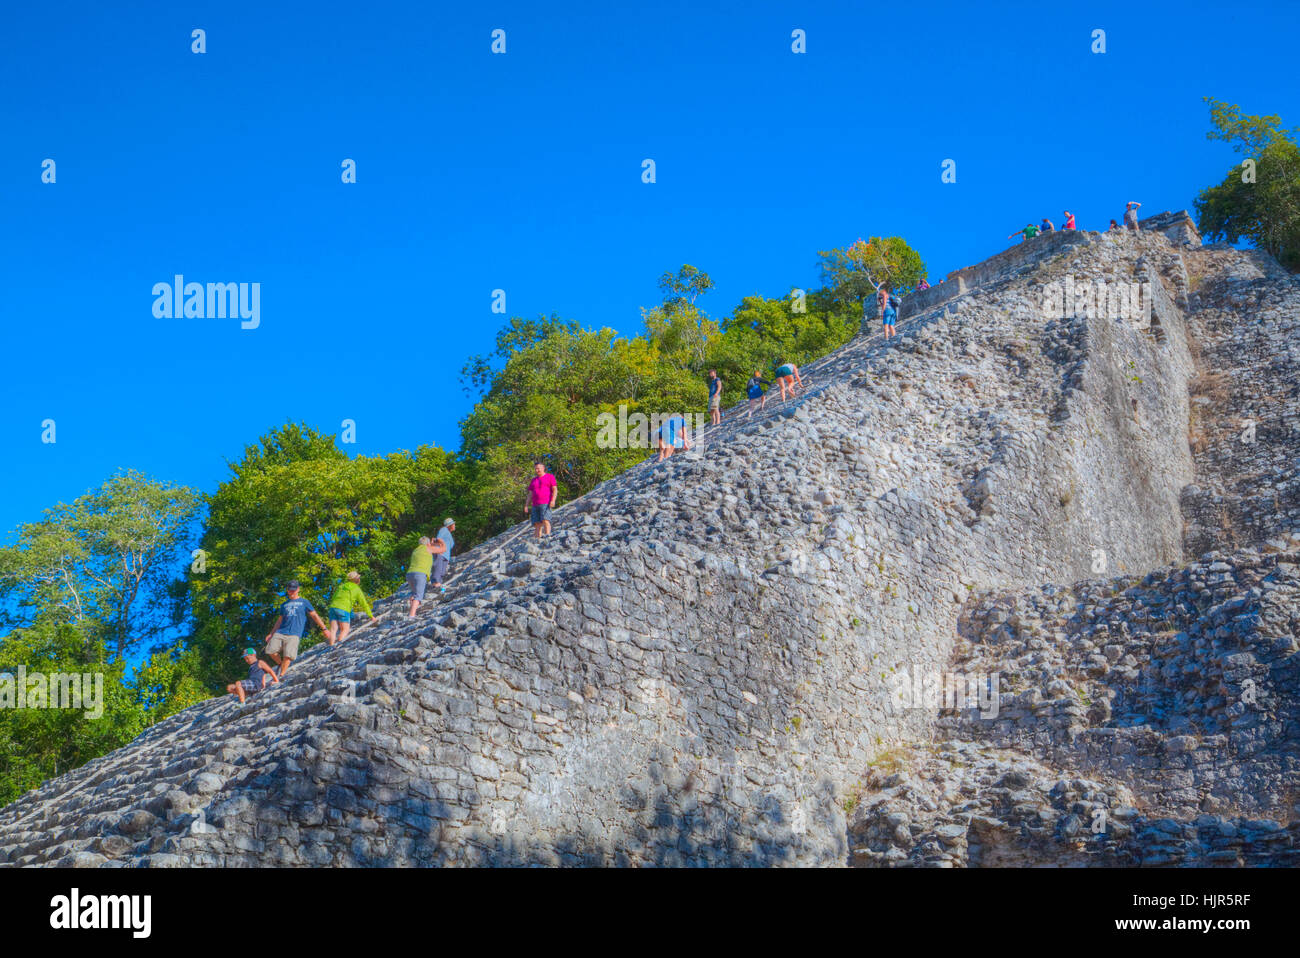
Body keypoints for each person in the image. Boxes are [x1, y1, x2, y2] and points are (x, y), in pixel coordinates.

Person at [264, 580, 328, 678]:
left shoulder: (304, 602)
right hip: (281, 631)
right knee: (270, 650)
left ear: (298, 589)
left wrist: (324, 629)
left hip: (294, 633)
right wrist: (271, 633)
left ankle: (281, 675)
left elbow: (314, 615)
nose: (292, 592)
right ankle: (280, 664)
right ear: (287, 590)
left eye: (294, 590)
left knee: (288, 655)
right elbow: (279, 621)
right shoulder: (284, 605)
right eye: (290, 590)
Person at [324, 571, 374, 646]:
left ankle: (331, 645)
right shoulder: (356, 589)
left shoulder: (341, 586)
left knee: (333, 629)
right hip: (343, 609)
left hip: (333, 607)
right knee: (345, 629)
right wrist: (371, 616)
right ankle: (338, 646)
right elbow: (364, 604)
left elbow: (334, 598)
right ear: (357, 580)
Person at [406, 535, 447, 617]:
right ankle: (411, 615)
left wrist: (432, 544)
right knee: (418, 596)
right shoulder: (428, 548)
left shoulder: (416, 550)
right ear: (428, 544)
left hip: (410, 574)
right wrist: (440, 541)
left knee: (414, 594)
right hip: (420, 574)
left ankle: (410, 611)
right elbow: (443, 549)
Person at [526, 461, 558, 538]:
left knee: (545, 520)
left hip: (546, 502)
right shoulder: (534, 480)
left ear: (543, 468)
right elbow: (530, 494)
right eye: (535, 469)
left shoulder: (550, 476)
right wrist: (526, 505)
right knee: (537, 524)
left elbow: (555, 489)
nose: (537, 470)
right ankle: (537, 540)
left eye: (538, 468)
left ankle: (548, 538)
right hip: (535, 504)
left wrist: (553, 500)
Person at [434, 518, 455, 595]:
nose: (454, 525)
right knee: (438, 569)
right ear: (450, 525)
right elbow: (438, 538)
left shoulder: (449, 533)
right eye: (453, 524)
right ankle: (436, 584)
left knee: (442, 572)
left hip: (446, 555)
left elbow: (451, 545)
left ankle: (438, 585)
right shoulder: (444, 529)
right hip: (440, 553)